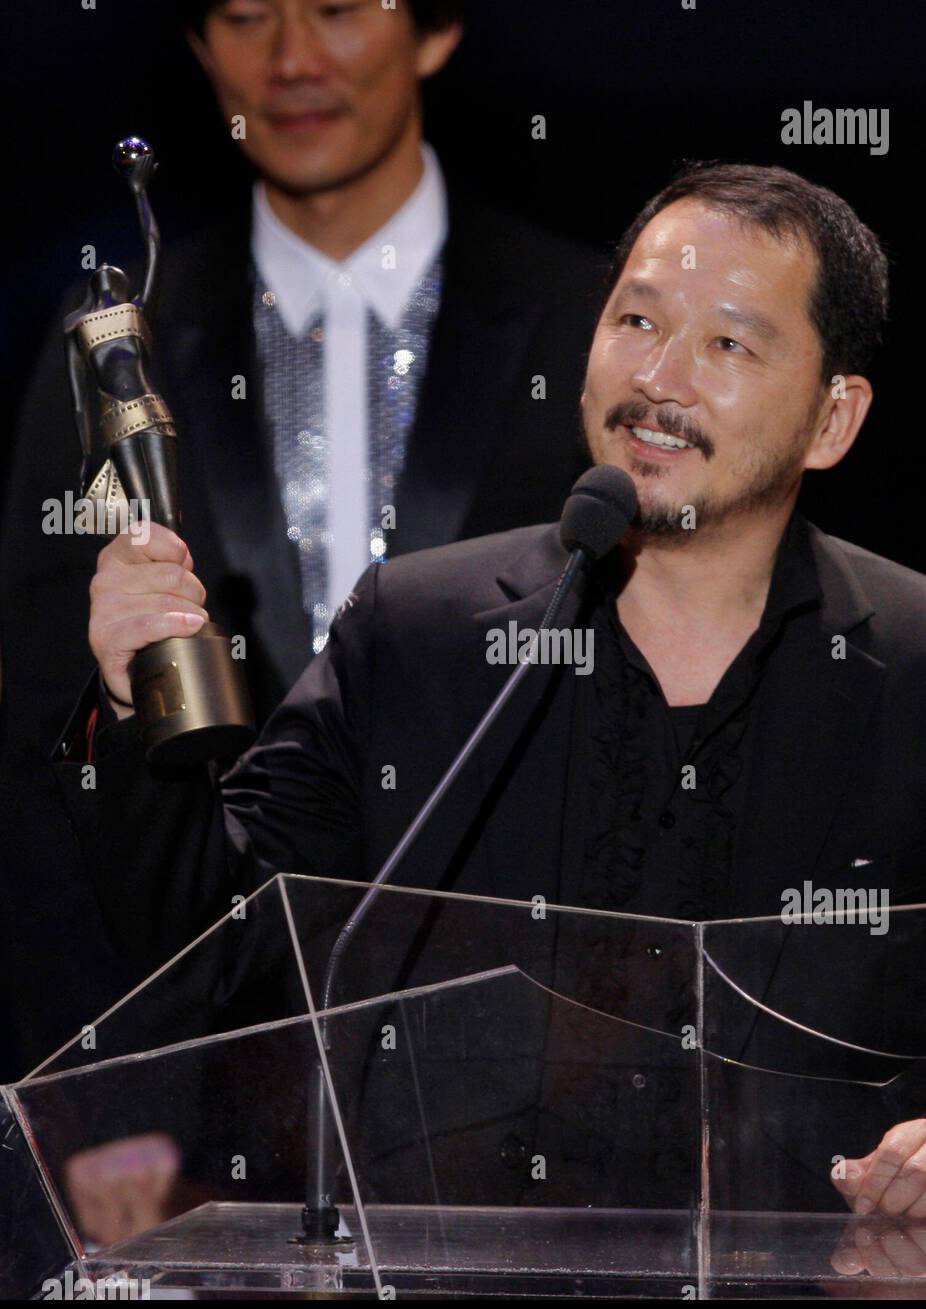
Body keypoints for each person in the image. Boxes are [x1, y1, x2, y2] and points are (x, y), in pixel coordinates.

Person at [56, 162, 926, 1219]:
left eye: (728, 343)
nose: (662, 379)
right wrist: (137, 712)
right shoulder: (418, 637)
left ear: (833, 419)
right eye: (637, 320)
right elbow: (222, 947)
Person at [0, 0, 603, 1078]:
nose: (291, 60)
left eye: (335, 10)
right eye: (245, 17)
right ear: (198, 45)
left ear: (435, 30)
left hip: (535, 1047)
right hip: (205, 1056)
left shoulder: (591, 323)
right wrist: (94, 1094)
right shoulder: (109, 349)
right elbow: (48, 738)